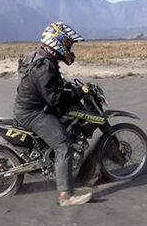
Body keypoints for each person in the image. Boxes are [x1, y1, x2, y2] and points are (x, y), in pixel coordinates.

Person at [14, 22, 92, 206]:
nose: (70, 49)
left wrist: (68, 88)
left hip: (27, 107)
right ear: (59, 42)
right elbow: (55, 99)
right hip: (32, 112)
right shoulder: (45, 64)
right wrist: (80, 93)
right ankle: (66, 196)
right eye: (69, 44)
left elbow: (48, 87)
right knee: (64, 145)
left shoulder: (39, 56)